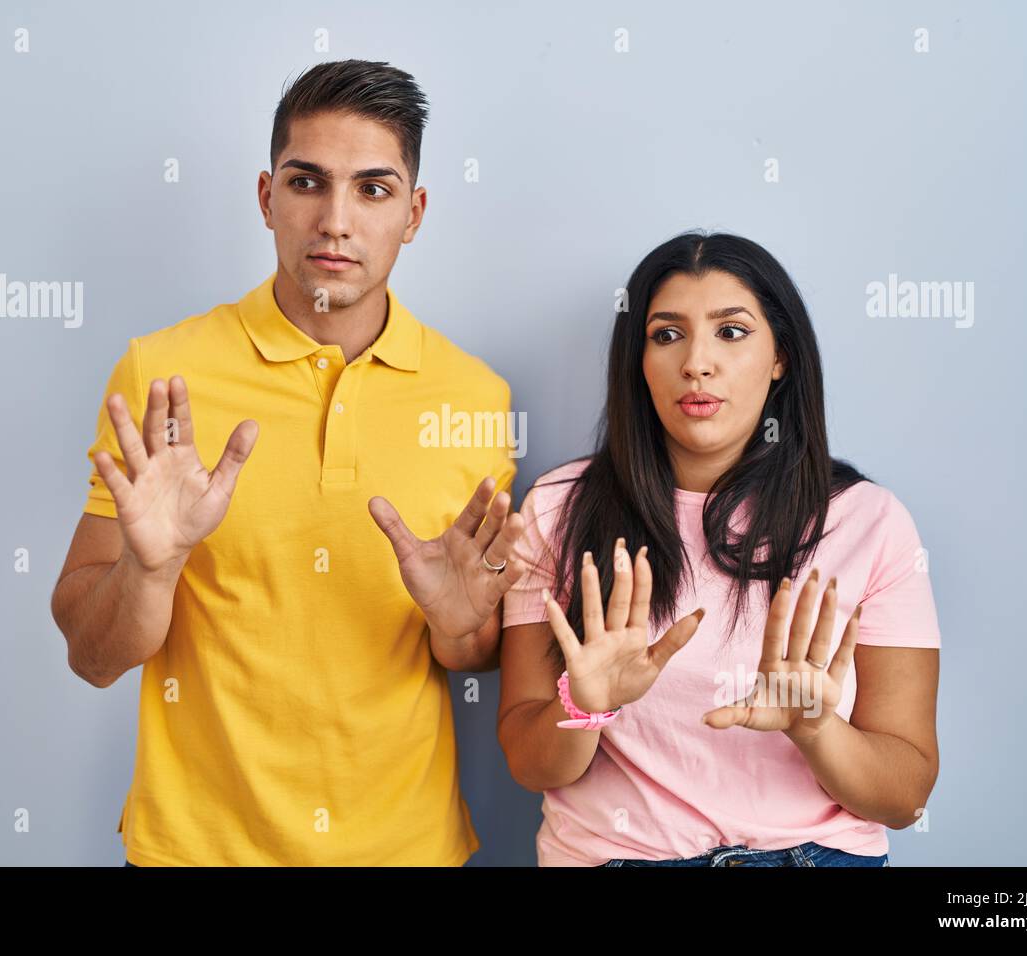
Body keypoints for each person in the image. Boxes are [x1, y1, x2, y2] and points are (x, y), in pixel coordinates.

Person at [51, 59, 527, 866]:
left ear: (413, 214)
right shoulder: (163, 374)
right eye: (309, 183)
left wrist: (459, 625)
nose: (336, 221)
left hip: (406, 850)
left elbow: (478, 652)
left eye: (373, 190)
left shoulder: (475, 398)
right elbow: (93, 658)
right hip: (196, 851)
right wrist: (151, 568)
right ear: (269, 197)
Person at [497, 231, 941, 867]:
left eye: (731, 332)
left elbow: (905, 797)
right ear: (638, 359)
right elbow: (527, 760)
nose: (696, 363)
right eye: (667, 334)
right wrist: (585, 705)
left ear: (781, 355)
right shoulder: (558, 506)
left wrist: (817, 729)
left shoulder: (870, 521)